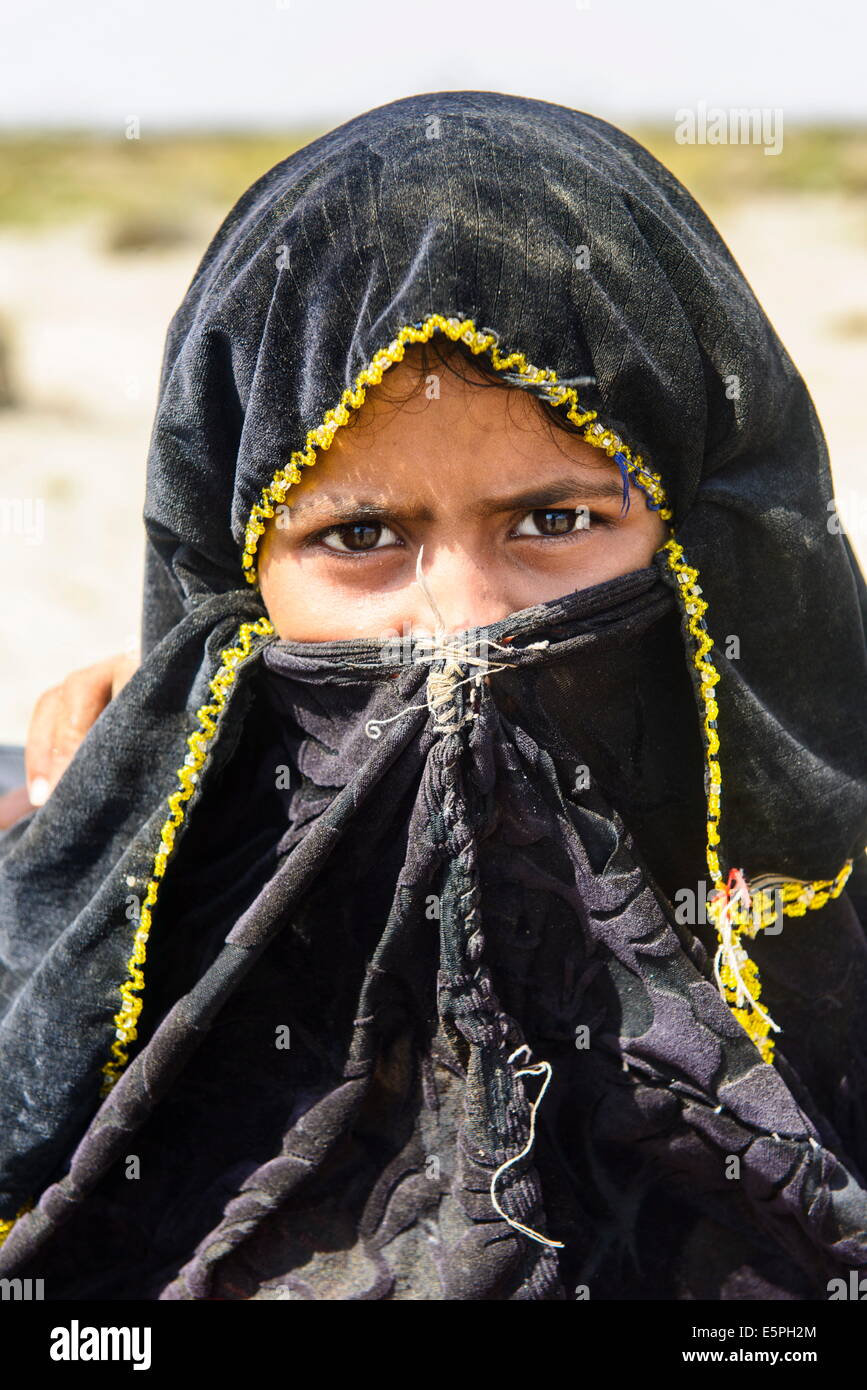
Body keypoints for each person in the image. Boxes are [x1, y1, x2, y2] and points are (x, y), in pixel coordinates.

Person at [1, 90, 866, 1301]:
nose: (464, 623)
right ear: (233, 586)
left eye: (554, 520)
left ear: (716, 543)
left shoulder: (837, 887)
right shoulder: (102, 912)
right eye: (360, 536)